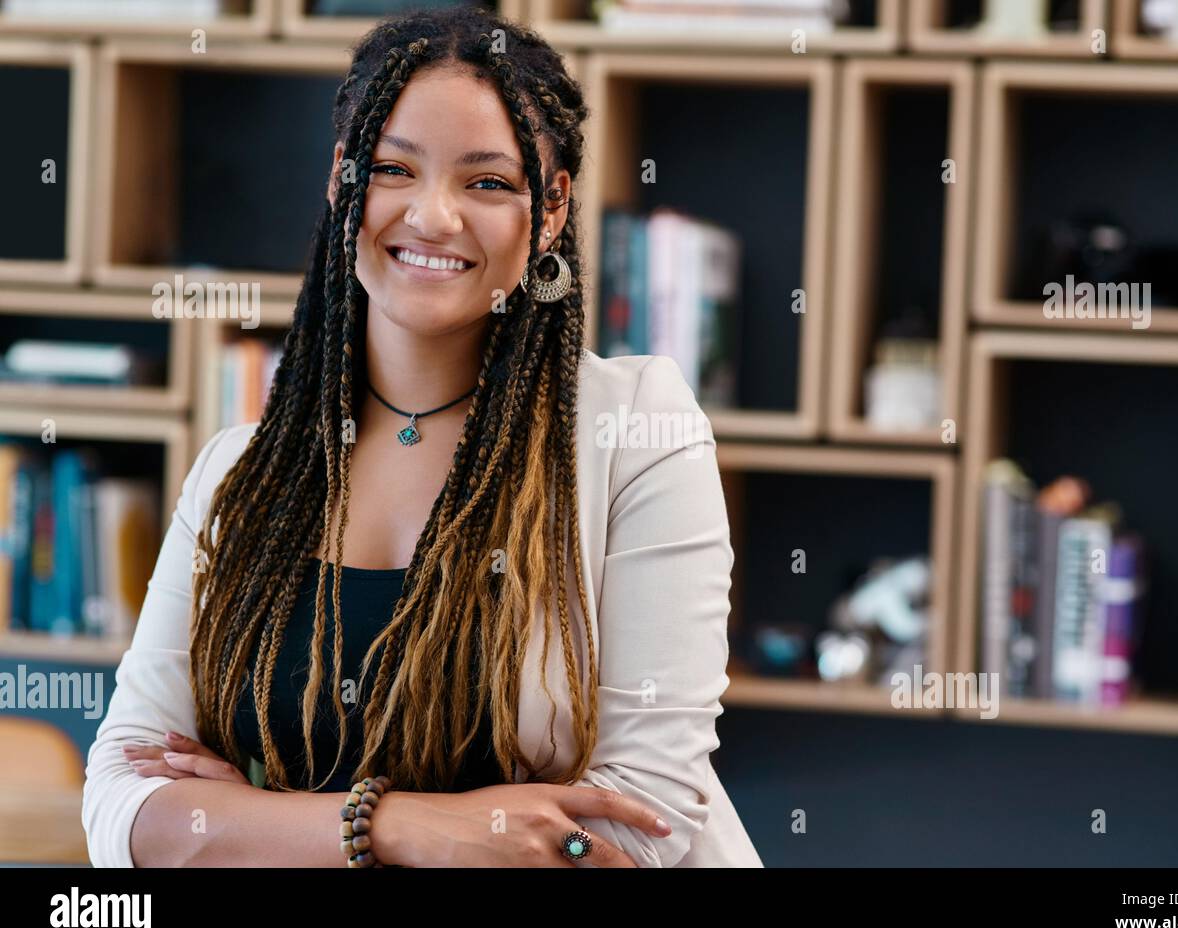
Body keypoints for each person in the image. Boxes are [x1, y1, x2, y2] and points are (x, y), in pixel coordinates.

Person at [81, 6, 762, 868]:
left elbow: (632, 828)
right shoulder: (237, 475)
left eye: (487, 182)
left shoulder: (640, 435)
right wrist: (396, 825)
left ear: (551, 212)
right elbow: (122, 809)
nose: (432, 216)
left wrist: (264, 821)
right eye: (394, 168)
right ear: (342, 181)